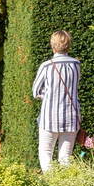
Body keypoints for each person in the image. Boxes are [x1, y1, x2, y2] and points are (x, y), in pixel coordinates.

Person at [31, 29, 81, 172]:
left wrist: (48, 93)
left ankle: (52, 185)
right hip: (71, 117)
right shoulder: (76, 65)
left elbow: (35, 91)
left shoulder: (46, 66)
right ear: (68, 45)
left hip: (49, 117)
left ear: (53, 45)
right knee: (65, 158)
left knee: (46, 153)